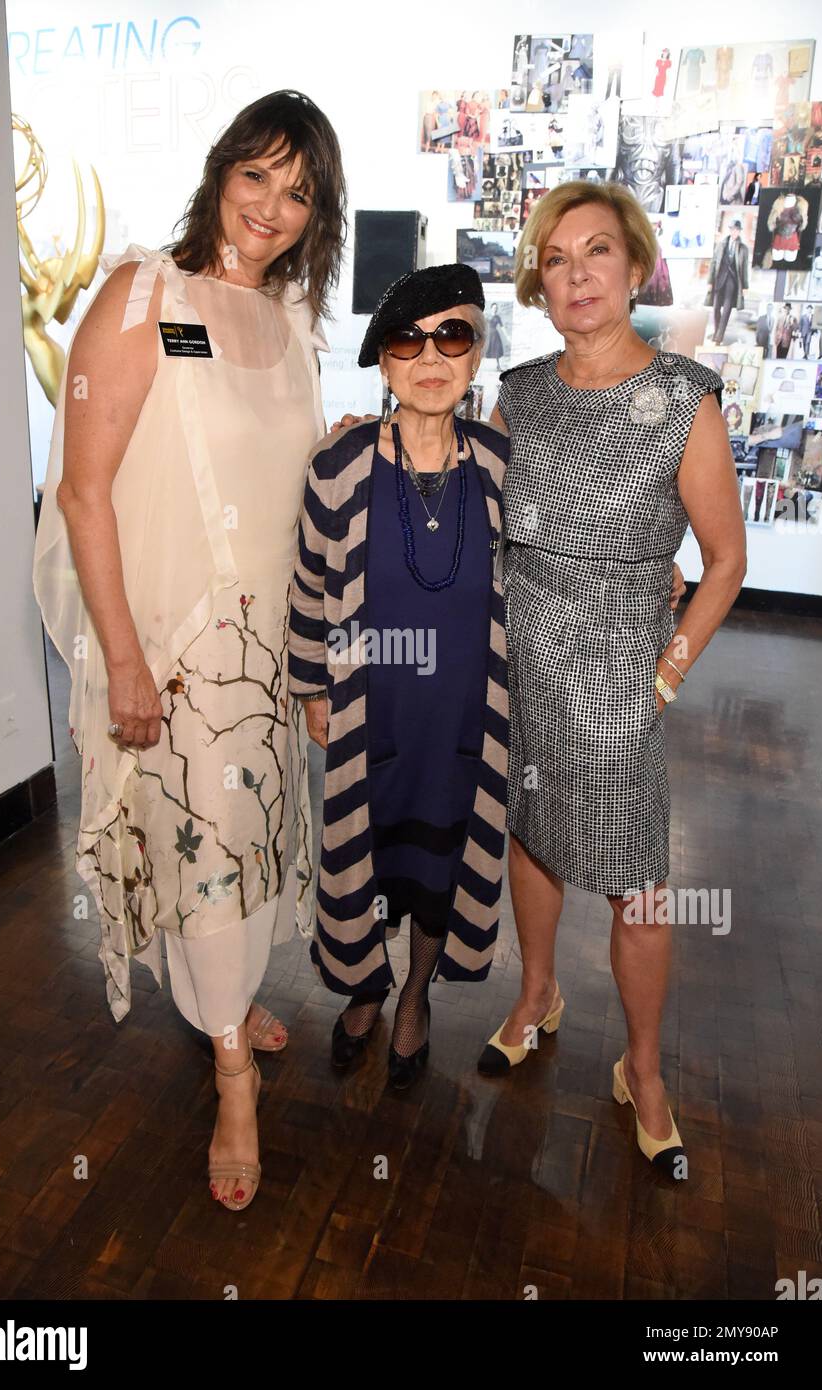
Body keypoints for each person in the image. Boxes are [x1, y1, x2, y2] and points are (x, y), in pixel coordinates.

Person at [33, 90, 346, 1212]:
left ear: (318, 217)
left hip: (275, 644)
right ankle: (229, 1076)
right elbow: (82, 493)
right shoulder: (141, 296)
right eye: (256, 175)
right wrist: (120, 654)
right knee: (206, 836)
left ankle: (229, 994)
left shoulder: (292, 324)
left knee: (251, 835)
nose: (271, 207)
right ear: (221, 171)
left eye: (298, 191)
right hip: (179, 648)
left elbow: (303, 485)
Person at [480, 180, 746, 1176]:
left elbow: (722, 562)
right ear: (539, 281)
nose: (577, 272)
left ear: (635, 269)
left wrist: (665, 677)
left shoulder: (683, 397)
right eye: (555, 257)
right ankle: (535, 992)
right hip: (523, 652)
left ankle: (642, 1063)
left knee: (638, 883)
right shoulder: (521, 390)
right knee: (532, 832)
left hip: (622, 672)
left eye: (597, 251)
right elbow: (483, 514)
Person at [288, 265, 510, 1090]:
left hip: (464, 717)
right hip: (367, 714)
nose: (430, 355)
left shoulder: (499, 465)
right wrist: (313, 687)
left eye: (451, 335)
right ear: (383, 361)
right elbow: (308, 585)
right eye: (406, 339)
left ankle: (413, 996)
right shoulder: (339, 463)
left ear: (476, 354)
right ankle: (363, 991)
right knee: (364, 859)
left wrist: (651, 572)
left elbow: (554, 565)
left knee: (438, 867)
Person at [706, 219, 750, 345]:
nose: (734, 232)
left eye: (737, 230)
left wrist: (745, 286)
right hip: (719, 280)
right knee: (715, 309)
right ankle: (717, 332)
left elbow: (745, 268)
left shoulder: (743, 248)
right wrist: (710, 281)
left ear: (739, 231)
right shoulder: (721, 244)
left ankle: (718, 338)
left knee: (726, 311)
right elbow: (713, 263)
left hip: (733, 282)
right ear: (730, 230)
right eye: (733, 229)